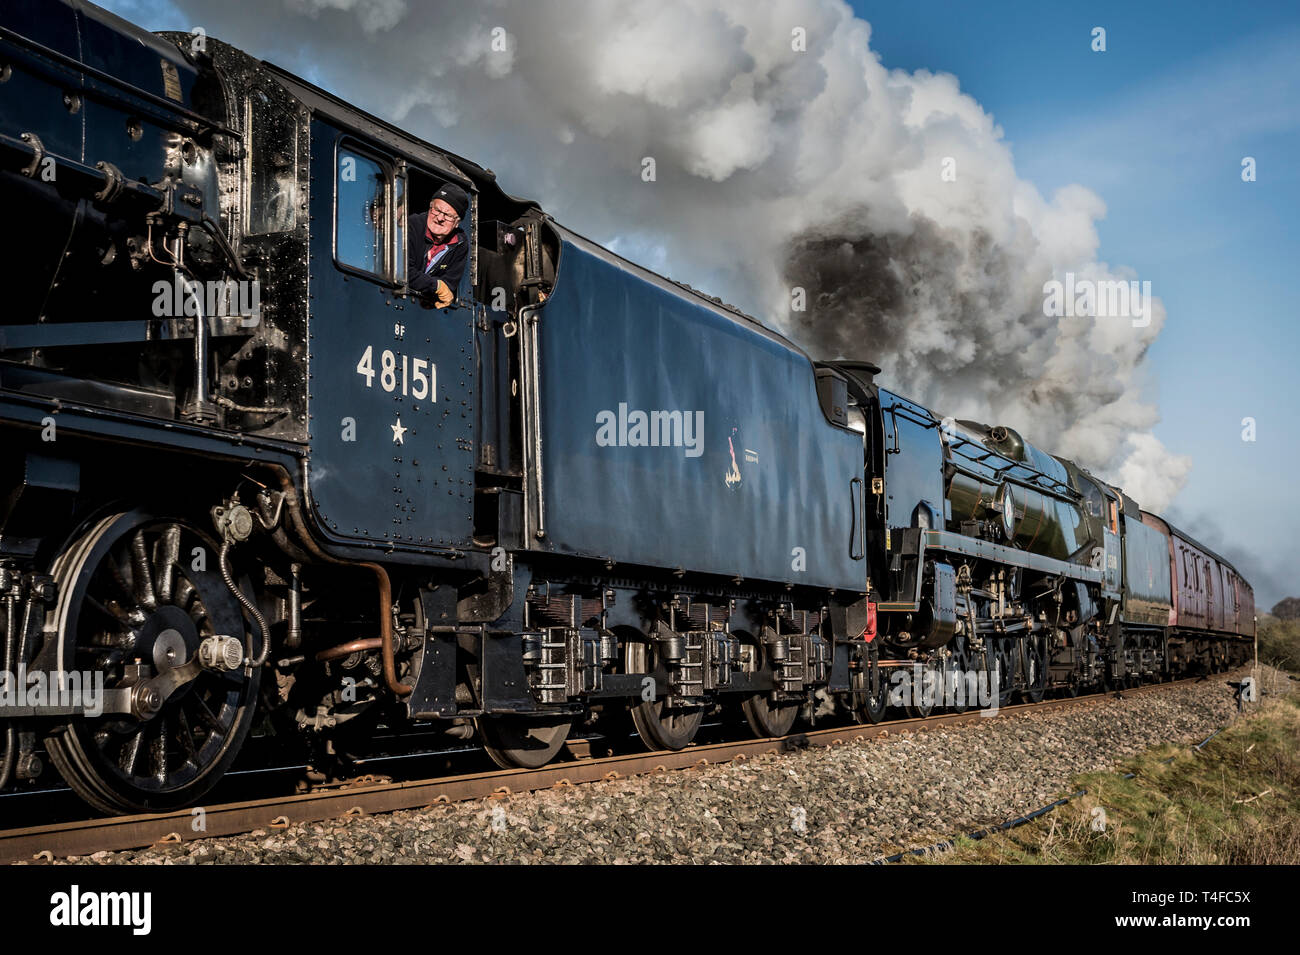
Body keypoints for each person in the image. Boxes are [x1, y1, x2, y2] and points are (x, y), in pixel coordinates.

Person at [407, 182, 470, 308]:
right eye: (436, 210)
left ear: (457, 222)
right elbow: (404, 272)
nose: (440, 218)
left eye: (447, 215)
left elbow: (449, 286)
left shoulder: (460, 245)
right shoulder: (411, 226)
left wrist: (439, 289)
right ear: (430, 207)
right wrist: (436, 286)